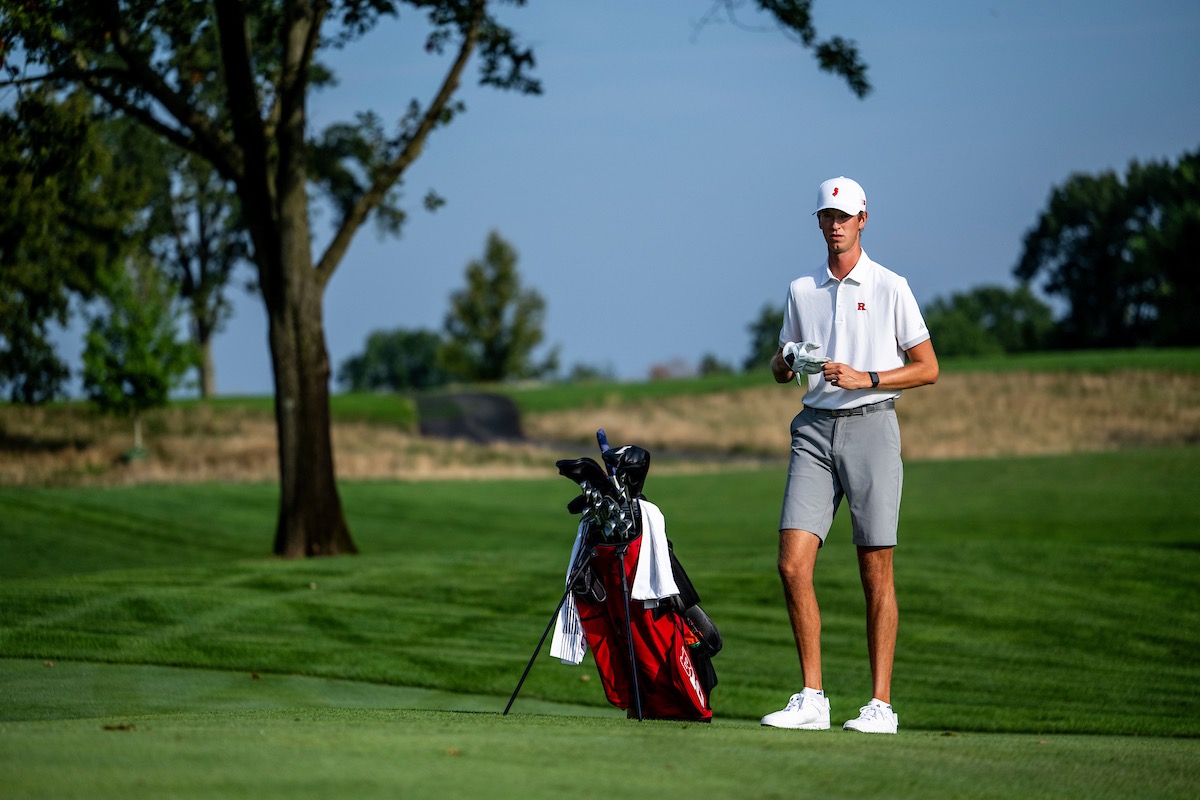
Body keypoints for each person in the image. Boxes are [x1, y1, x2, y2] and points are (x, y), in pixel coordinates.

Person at [760, 176, 939, 734]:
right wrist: (787, 360)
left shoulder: (890, 286)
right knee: (792, 563)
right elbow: (779, 365)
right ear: (818, 221)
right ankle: (813, 698)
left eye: (844, 216)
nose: (835, 225)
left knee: (874, 569)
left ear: (863, 219)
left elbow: (928, 367)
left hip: (872, 425)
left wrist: (869, 378)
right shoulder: (801, 289)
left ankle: (880, 705)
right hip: (813, 430)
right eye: (827, 216)